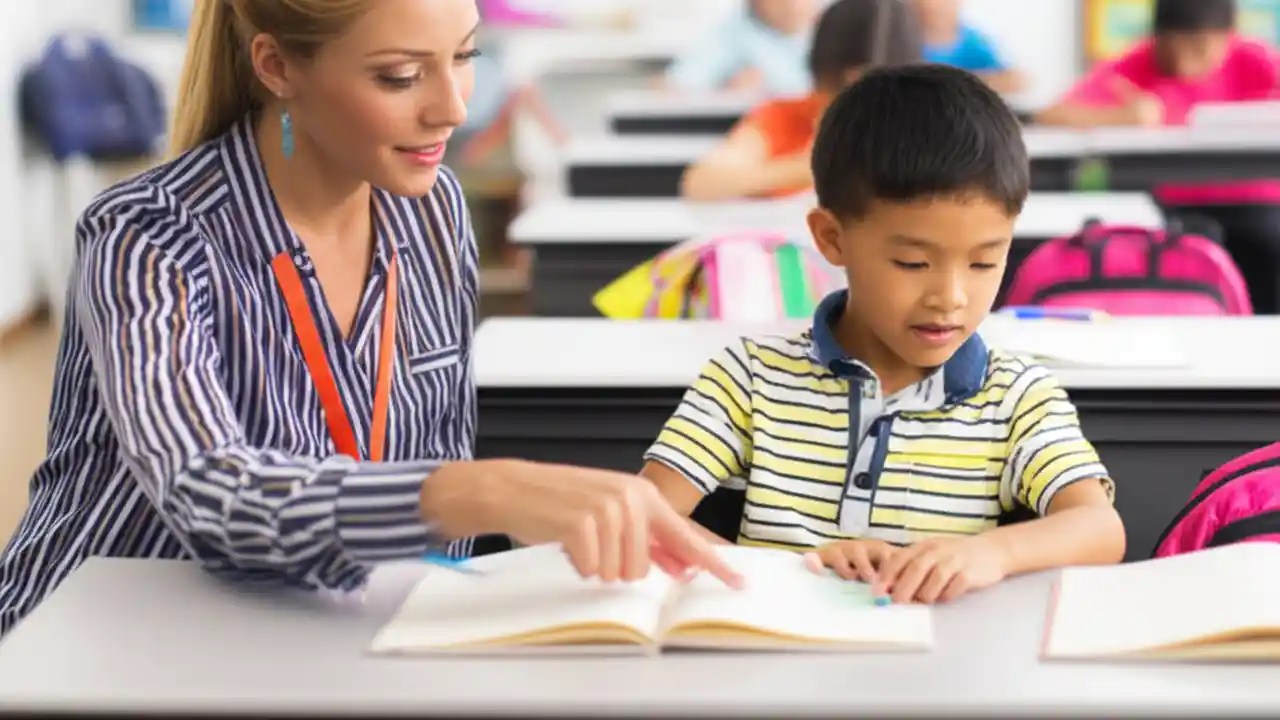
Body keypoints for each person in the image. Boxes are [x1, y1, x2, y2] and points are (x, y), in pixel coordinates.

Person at [0, 0, 740, 638]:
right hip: (99, 641)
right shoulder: (146, 234)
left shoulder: (433, 210)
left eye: (465, 55)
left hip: (311, 629)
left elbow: (429, 444)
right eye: (400, 75)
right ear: (277, 66)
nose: (452, 106)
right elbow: (208, 489)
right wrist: (485, 490)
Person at [645, 65, 1126, 605]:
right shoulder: (751, 378)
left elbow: (1100, 529)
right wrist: (792, 570)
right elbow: (644, 518)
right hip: (773, 667)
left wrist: (990, 553)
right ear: (832, 239)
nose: (951, 296)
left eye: (985, 262)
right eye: (913, 263)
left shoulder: (1016, 398)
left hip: (940, 677)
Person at [680, 0, 921, 202]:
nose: (853, 112)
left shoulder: (924, 128)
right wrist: (803, 169)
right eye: (839, 90)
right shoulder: (784, 117)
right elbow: (699, 184)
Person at [1037, 0, 1280, 127]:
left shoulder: (1258, 60)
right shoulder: (1135, 63)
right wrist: (1120, 117)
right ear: (1156, 37)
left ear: (1229, 36)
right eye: (1172, 49)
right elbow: (1050, 116)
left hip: (1259, 199)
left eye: (1199, 50)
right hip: (1167, 204)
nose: (1184, 64)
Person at [662, 0, 822, 97]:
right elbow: (673, 88)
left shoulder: (833, 26)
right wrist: (727, 92)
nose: (793, 4)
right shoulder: (728, 35)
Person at [909, 0, 1024, 94]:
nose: (937, 5)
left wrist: (959, 84)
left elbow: (1015, 79)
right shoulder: (901, 40)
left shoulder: (974, 41)